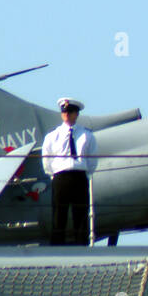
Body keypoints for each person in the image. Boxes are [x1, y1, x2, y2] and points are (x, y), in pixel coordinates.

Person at [42, 97, 98, 245]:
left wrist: (86, 173)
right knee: (59, 214)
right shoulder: (53, 135)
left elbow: (92, 159)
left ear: (76, 114)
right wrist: (53, 175)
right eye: (64, 111)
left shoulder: (86, 135)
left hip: (79, 176)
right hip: (60, 176)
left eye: (70, 111)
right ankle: (57, 246)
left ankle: (81, 245)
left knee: (80, 214)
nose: (66, 114)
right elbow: (46, 159)